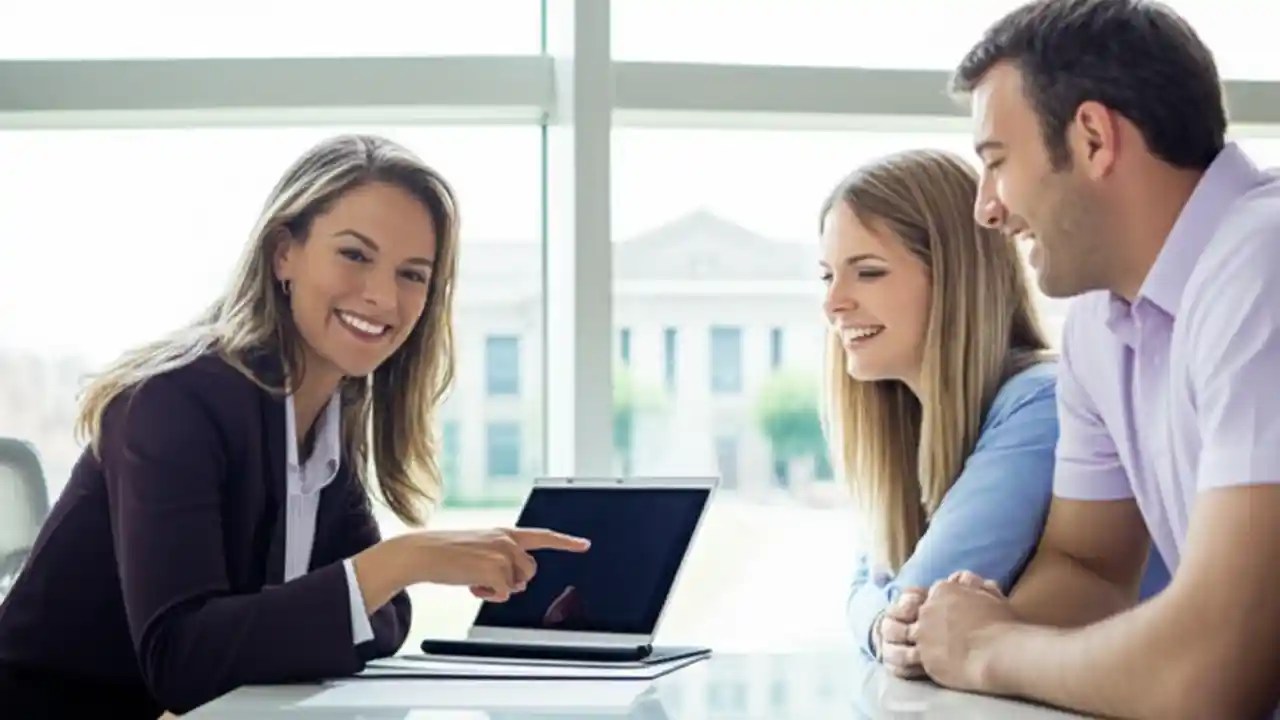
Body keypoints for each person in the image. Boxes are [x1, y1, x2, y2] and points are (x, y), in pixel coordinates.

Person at [0, 134, 591, 718]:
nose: (384, 296)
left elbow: (387, 619)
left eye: (412, 274)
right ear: (284, 253)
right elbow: (182, 660)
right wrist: (402, 561)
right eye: (355, 255)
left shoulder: (326, 416)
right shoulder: (174, 403)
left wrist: (363, 586)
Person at [913, 2, 1280, 717]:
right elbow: (1089, 568)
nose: (986, 208)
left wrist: (988, 652)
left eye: (996, 162)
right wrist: (950, 633)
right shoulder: (1098, 325)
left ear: (1091, 137)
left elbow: (1218, 671)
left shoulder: (1262, 264)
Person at [822, 149, 1166, 678]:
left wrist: (884, 621)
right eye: (827, 277)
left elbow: (917, 605)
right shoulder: (914, 423)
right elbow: (866, 592)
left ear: (957, 281)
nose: (834, 304)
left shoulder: (1039, 403)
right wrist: (877, 627)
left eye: (867, 272)